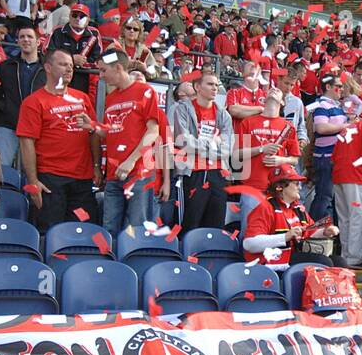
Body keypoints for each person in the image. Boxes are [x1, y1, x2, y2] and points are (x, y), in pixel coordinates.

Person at [17, 48, 100, 230]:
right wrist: (32, 181)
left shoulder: (82, 98)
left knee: (83, 231)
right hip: (50, 181)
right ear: (47, 67)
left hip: (82, 182)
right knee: (50, 233)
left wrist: (96, 167)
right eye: (63, 64)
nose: (69, 69)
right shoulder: (33, 102)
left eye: (71, 65)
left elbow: (93, 134)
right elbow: (26, 142)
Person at [97, 52, 161, 234]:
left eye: (103, 70)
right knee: (109, 230)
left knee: (136, 229)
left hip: (139, 172)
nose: (101, 75)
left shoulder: (144, 91)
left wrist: (131, 160)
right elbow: (110, 131)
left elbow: (153, 131)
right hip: (113, 174)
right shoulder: (110, 97)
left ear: (118, 67)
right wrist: (91, 126)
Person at [171, 70, 234, 232]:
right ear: (197, 87)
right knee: (189, 224)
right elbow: (184, 141)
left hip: (218, 173)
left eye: (216, 85)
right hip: (192, 173)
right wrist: (213, 143)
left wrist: (199, 144)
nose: (215, 88)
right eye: (210, 84)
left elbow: (227, 148)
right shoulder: (182, 109)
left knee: (215, 225)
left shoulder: (223, 114)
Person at [242, 168, 338, 270]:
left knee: (338, 262)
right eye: (296, 184)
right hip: (269, 263)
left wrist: (325, 232)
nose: (300, 188)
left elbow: (309, 232)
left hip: (291, 258)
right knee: (323, 262)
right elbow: (249, 244)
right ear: (279, 187)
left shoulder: (297, 208)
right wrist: (285, 236)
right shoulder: (265, 208)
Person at [331, 110, 362, 267]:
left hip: (339, 176)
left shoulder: (347, 128)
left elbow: (333, 157)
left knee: (344, 219)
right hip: (356, 177)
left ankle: (345, 255)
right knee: (357, 218)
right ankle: (353, 258)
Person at [0, 24, 44, 168]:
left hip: (38, 127)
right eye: (22, 37)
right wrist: (4, 109)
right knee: (0, 170)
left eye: (30, 37)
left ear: (38, 42)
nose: (26, 40)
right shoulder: (4, 67)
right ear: (17, 41)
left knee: (34, 172)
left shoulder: (47, 69)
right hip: (8, 124)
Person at [308, 74, 349, 220]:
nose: (341, 89)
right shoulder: (321, 105)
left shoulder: (337, 106)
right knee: (324, 196)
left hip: (335, 157)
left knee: (331, 198)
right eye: (338, 86)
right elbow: (321, 128)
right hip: (325, 157)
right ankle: (314, 230)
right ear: (328, 87)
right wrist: (345, 125)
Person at [46, 3, 101, 93]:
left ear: (88, 20)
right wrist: (71, 60)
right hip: (59, 77)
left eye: (82, 16)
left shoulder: (94, 33)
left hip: (83, 79)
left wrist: (83, 63)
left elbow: (98, 58)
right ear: (70, 17)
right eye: (75, 15)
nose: (78, 19)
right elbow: (48, 52)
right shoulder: (57, 31)